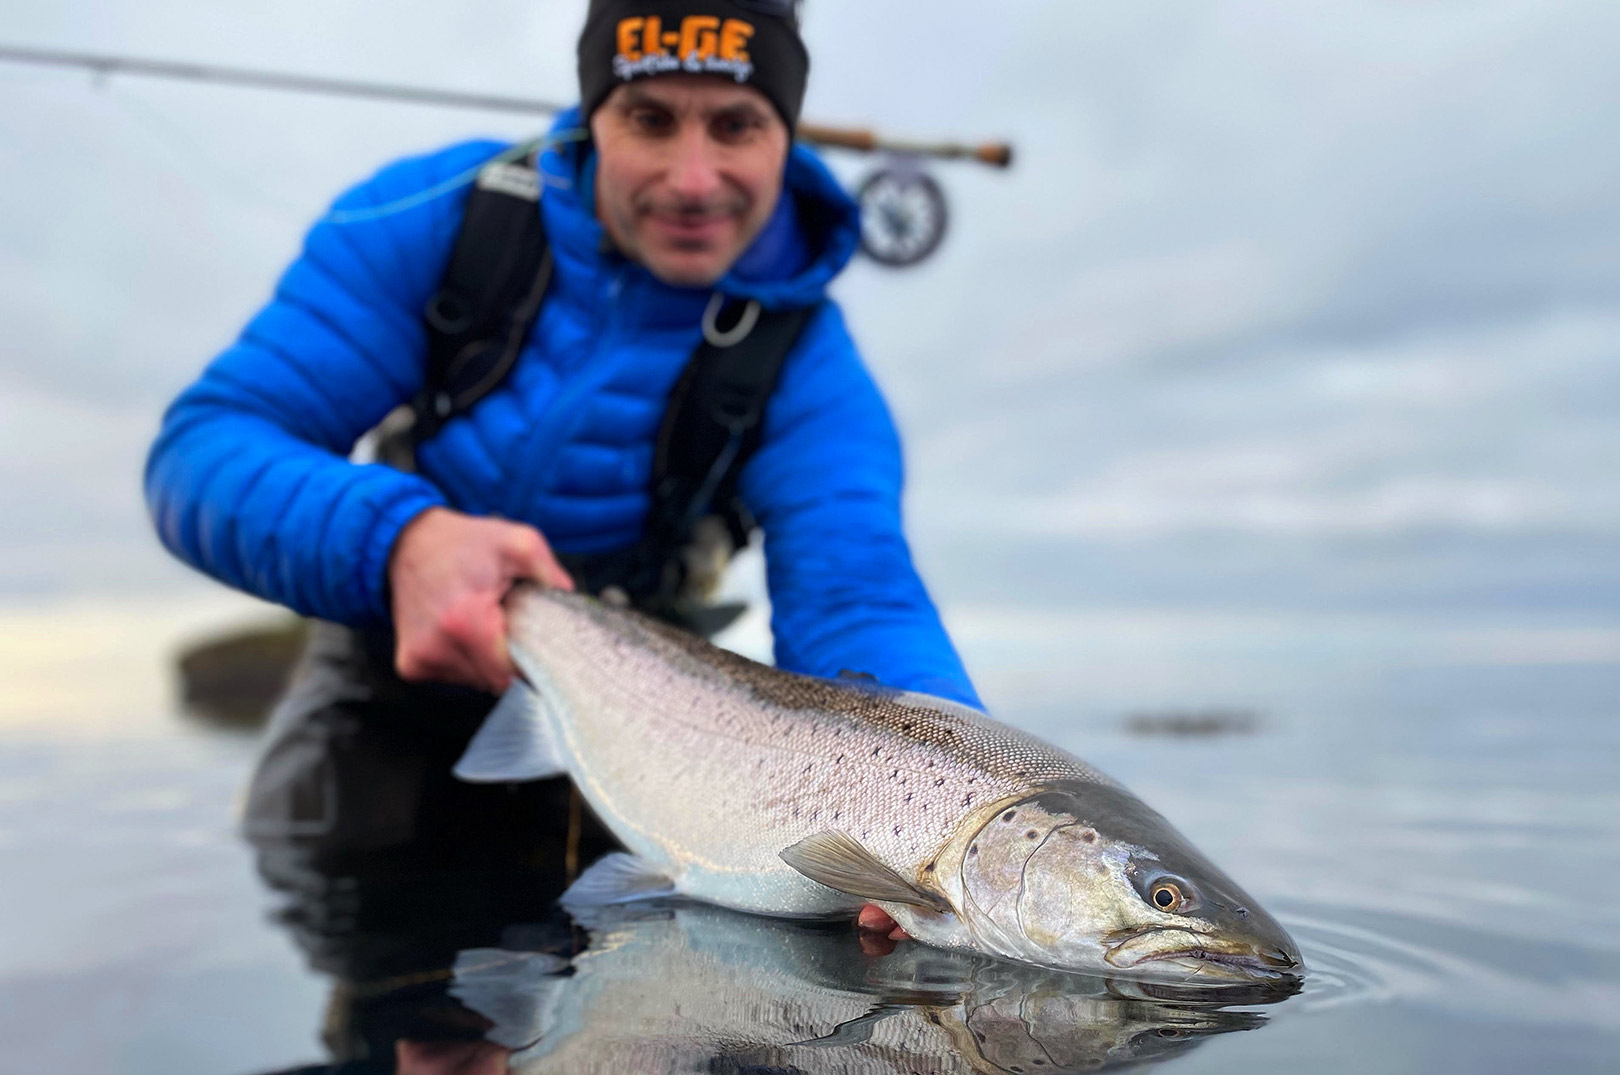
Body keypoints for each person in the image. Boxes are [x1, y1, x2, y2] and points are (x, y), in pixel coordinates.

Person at [145, 0, 972, 940]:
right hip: (383, 674)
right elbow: (203, 450)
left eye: (736, 124)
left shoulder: (812, 364)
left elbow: (859, 594)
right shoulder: (434, 220)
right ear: (592, 117)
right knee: (336, 906)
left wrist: (951, 824)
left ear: (784, 133)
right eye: (650, 119)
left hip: (654, 729)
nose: (694, 180)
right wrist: (396, 542)